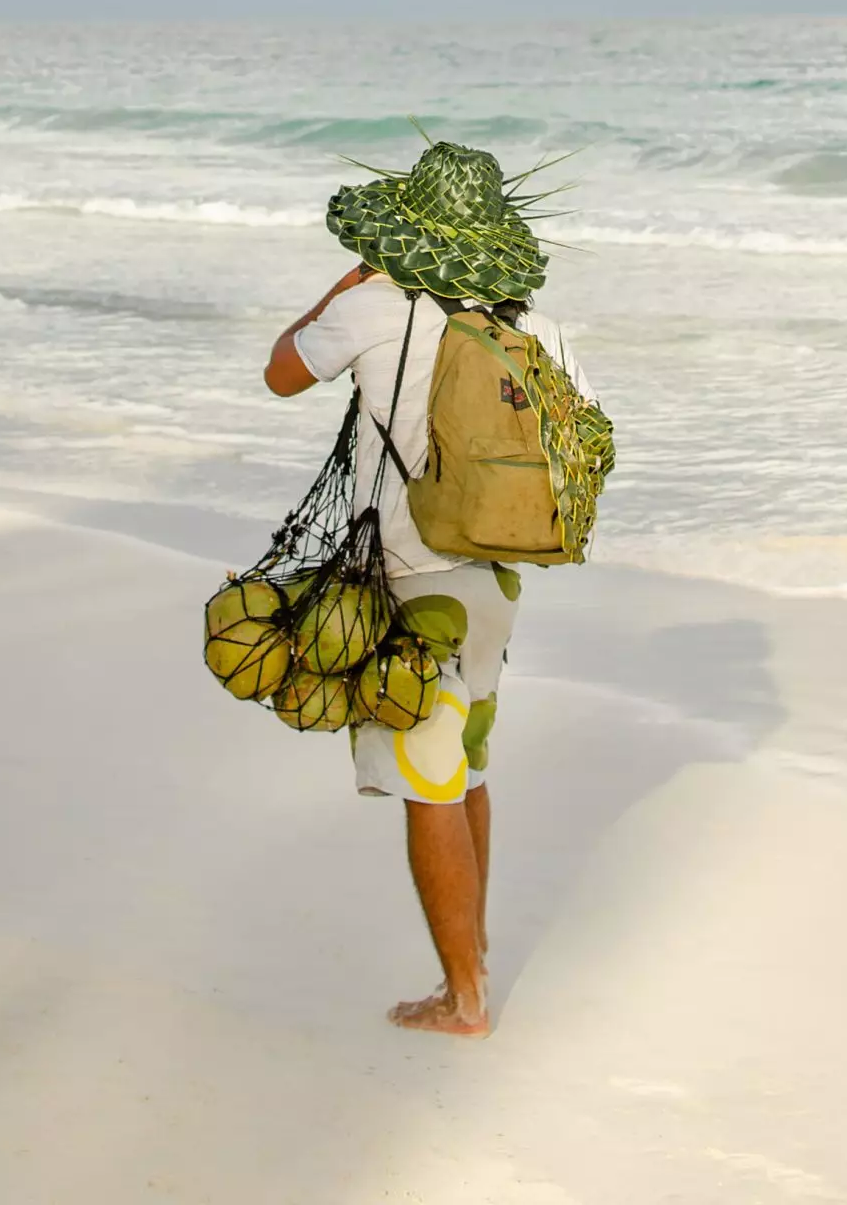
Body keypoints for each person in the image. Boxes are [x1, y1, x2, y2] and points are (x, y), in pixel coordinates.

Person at [263, 140, 596, 1039]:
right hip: (495, 575)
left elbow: (281, 372)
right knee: (468, 766)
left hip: (412, 580)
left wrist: (342, 287)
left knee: (427, 783)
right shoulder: (534, 325)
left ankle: (464, 1000)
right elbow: (580, 442)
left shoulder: (372, 306)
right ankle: (473, 962)